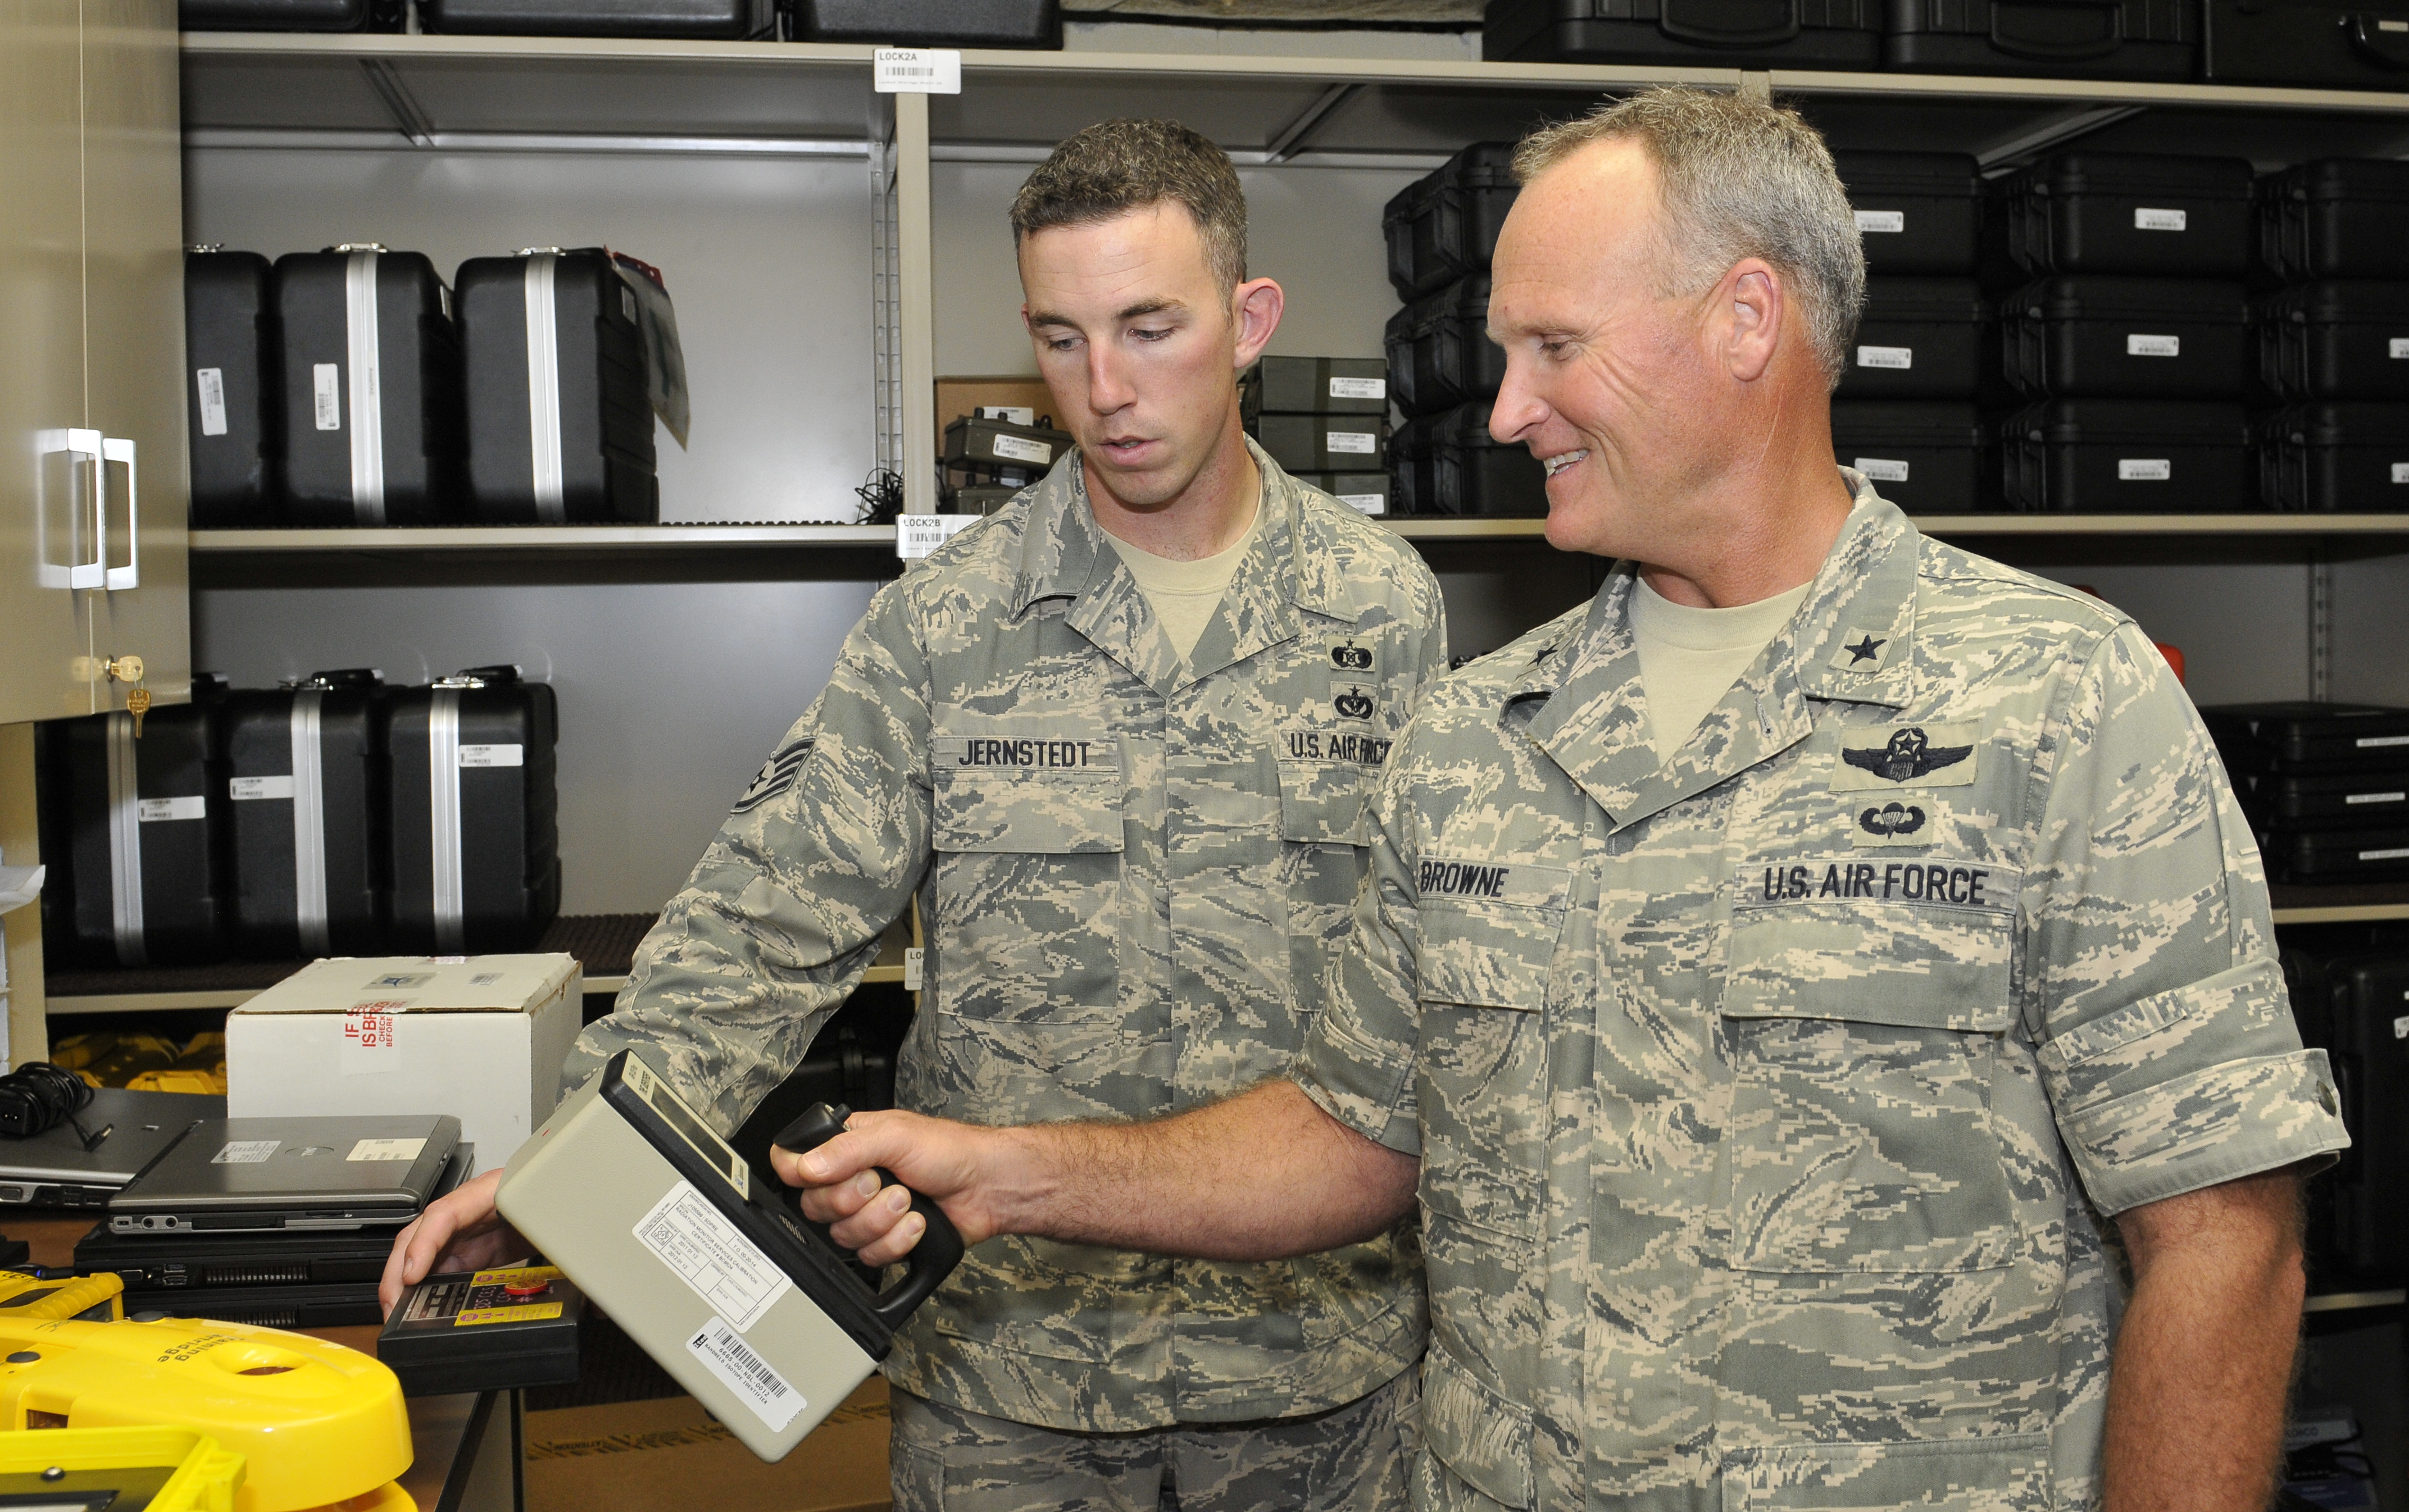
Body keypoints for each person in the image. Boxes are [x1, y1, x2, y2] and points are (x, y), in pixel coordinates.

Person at [789, 88, 2351, 1512]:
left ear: (1748, 319)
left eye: (1555, 348)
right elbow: (1352, 1135)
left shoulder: (2056, 700)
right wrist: (1003, 1172)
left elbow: (2224, 1238)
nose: (1505, 413)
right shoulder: (1480, 733)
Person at [382, 119, 1449, 1510]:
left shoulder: (1382, 606)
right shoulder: (945, 625)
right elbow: (766, 925)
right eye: (1060, 340)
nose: (1106, 389)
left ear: (1249, 321)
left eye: (1147, 326)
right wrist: (568, 1155)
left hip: (1322, 1367)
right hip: (1013, 1377)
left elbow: (1442, 994)